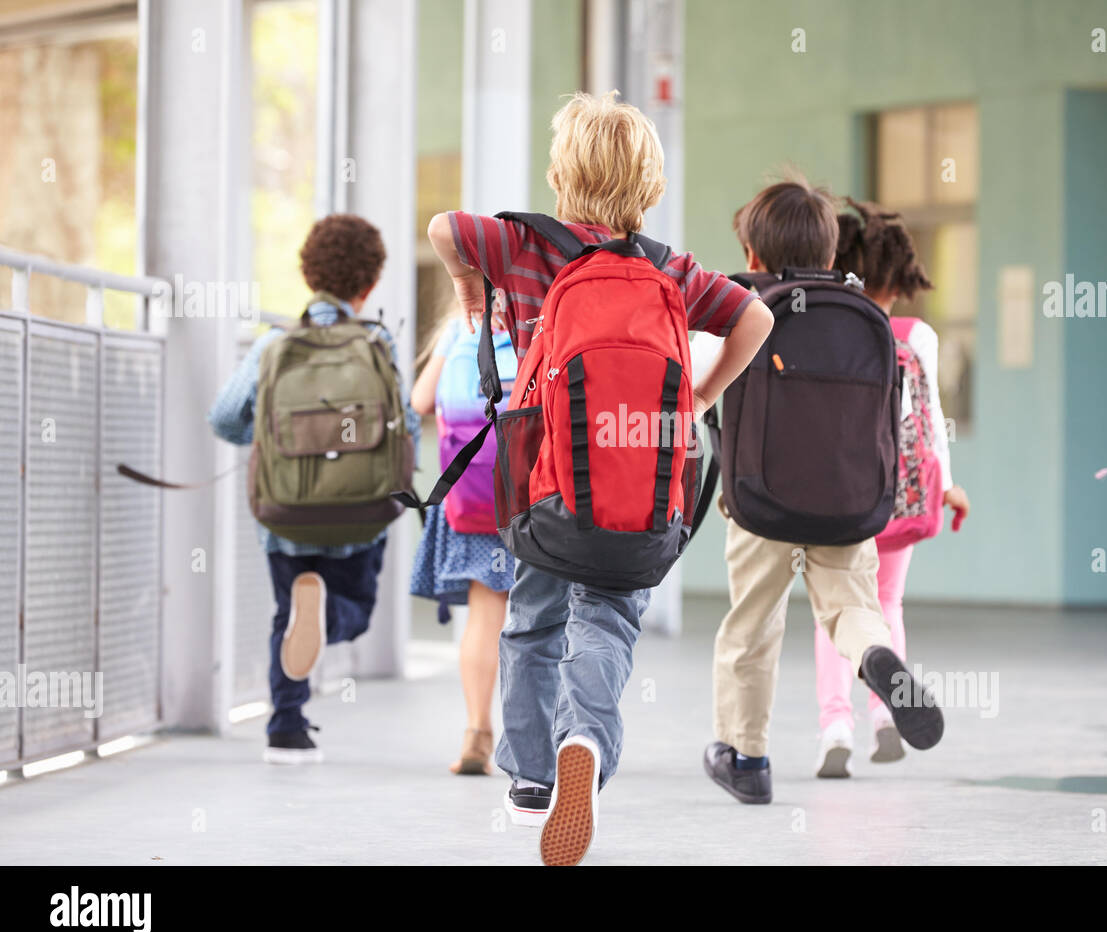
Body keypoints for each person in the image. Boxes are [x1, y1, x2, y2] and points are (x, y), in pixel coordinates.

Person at [425, 91, 773, 863]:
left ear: (560, 175)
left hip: (545, 488)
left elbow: (443, 228)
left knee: (533, 619)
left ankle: (529, 779)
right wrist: (700, 398)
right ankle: (584, 737)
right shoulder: (669, 270)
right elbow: (757, 318)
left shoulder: (517, 246)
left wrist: (469, 289)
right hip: (642, 492)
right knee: (609, 620)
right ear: (648, 188)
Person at [704, 179, 944, 808]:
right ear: (832, 252)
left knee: (751, 628)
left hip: (761, 503)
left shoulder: (746, 307)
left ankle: (746, 757)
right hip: (847, 502)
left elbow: (702, 388)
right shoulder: (862, 314)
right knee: (850, 608)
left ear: (753, 255)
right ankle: (874, 655)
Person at [208, 214, 420, 765]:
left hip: (287, 510)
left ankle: (286, 728)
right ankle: (327, 619)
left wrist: (276, 439)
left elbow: (225, 418)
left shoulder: (274, 346)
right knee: (355, 608)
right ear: (369, 282)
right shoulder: (377, 342)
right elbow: (408, 428)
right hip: (361, 509)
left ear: (308, 275)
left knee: (286, 614)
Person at [812, 199, 971, 776]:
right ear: (902, 277)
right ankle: (887, 715)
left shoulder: (832, 325)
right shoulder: (918, 334)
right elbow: (930, 420)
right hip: (900, 494)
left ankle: (835, 725)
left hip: (838, 493)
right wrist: (948, 486)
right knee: (885, 603)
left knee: (833, 612)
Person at [409, 314, 516, 777]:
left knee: (484, 618)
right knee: (552, 618)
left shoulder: (456, 332)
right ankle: (553, 736)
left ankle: (477, 731)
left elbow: (419, 401)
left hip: (473, 498)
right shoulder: (540, 321)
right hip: (536, 501)